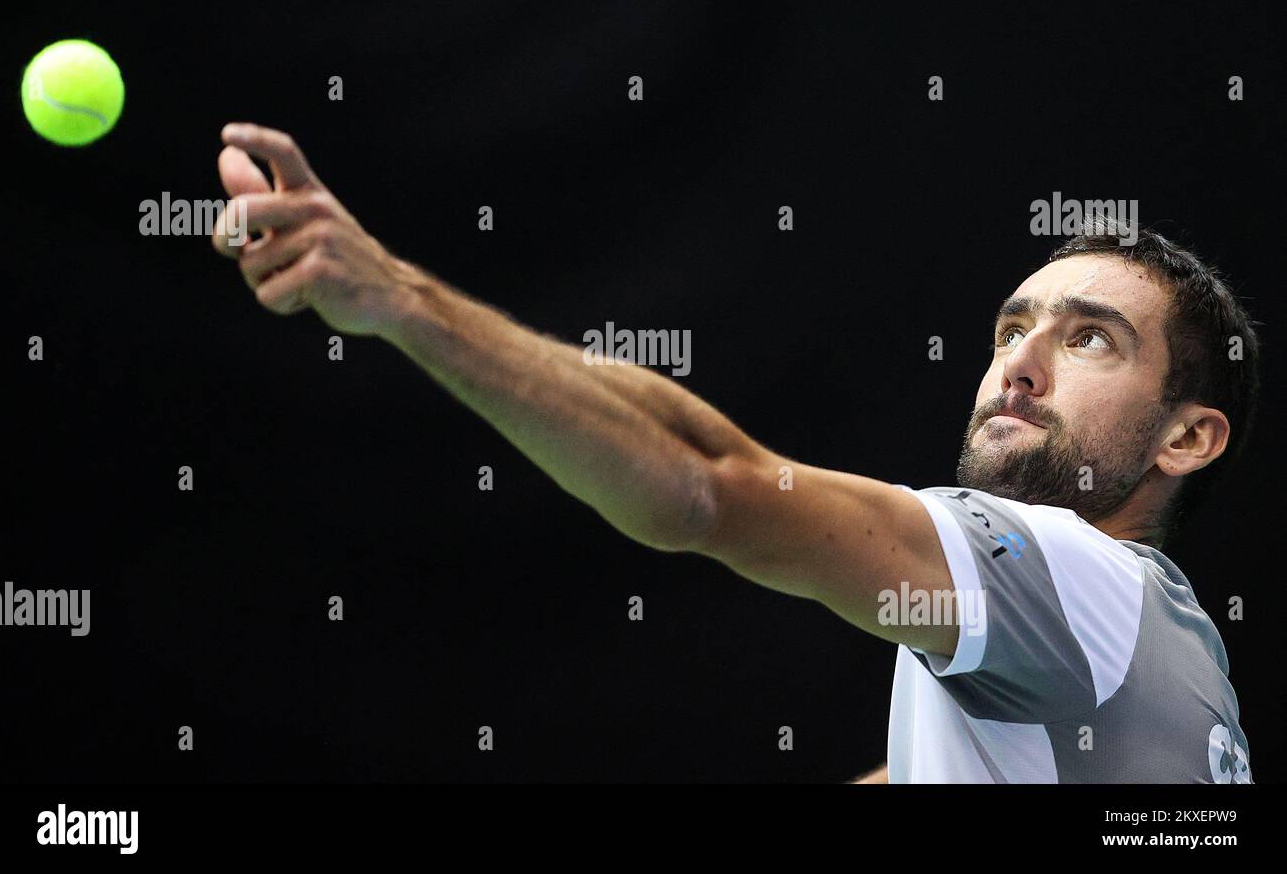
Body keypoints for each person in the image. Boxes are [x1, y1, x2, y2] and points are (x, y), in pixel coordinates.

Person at [210, 123, 1258, 783]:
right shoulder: (1179, 659)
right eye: (1006, 329)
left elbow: (711, 487)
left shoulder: (1076, 577)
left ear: (1187, 434)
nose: (1017, 367)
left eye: (1087, 338)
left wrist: (396, 298)